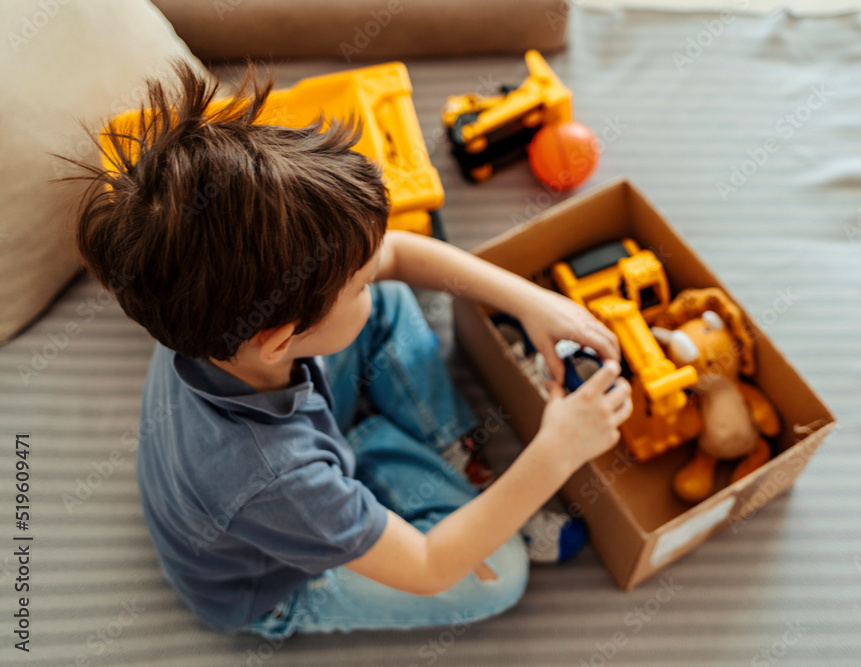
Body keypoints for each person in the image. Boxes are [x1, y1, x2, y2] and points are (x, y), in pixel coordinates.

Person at [64, 60, 631, 638]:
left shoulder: (208, 309)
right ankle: (405, 472)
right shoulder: (271, 477)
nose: (374, 272)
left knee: (385, 304)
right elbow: (430, 567)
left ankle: (449, 464)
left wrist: (526, 299)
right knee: (501, 573)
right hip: (277, 581)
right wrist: (557, 452)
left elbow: (399, 254)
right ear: (281, 338)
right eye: (356, 281)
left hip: (294, 455)